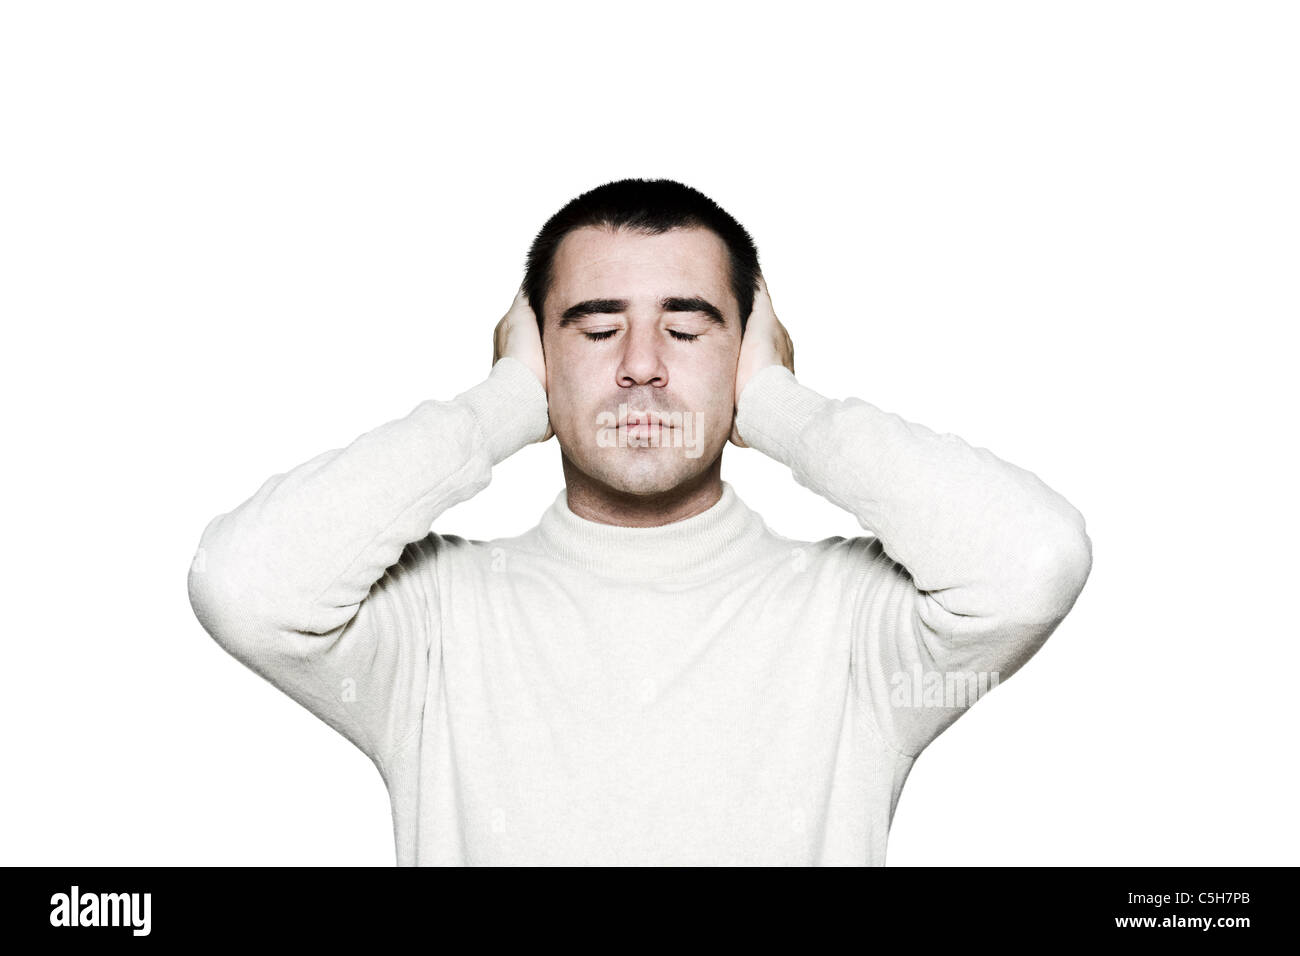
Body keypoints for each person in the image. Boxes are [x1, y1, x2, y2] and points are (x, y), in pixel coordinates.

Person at [187, 178, 1092, 866]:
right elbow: (246, 586)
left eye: (689, 329)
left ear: (748, 353)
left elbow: (1034, 561)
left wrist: (781, 407)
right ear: (537, 354)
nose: (643, 366)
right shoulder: (434, 623)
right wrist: (500, 407)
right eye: (594, 327)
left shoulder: (852, 623)